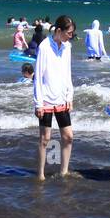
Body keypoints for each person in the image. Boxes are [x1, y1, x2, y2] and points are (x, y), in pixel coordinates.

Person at [32, 14, 76, 180]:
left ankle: (64, 171)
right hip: (46, 100)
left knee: (68, 137)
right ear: (58, 30)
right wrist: (38, 104)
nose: (70, 36)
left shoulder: (67, 47)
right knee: (45, 139)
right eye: (69, 33)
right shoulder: (44, 46)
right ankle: (41, 174)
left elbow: (67, 72)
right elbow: (38, 76)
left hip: (62, 98)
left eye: (72, 33)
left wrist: (69, 96)